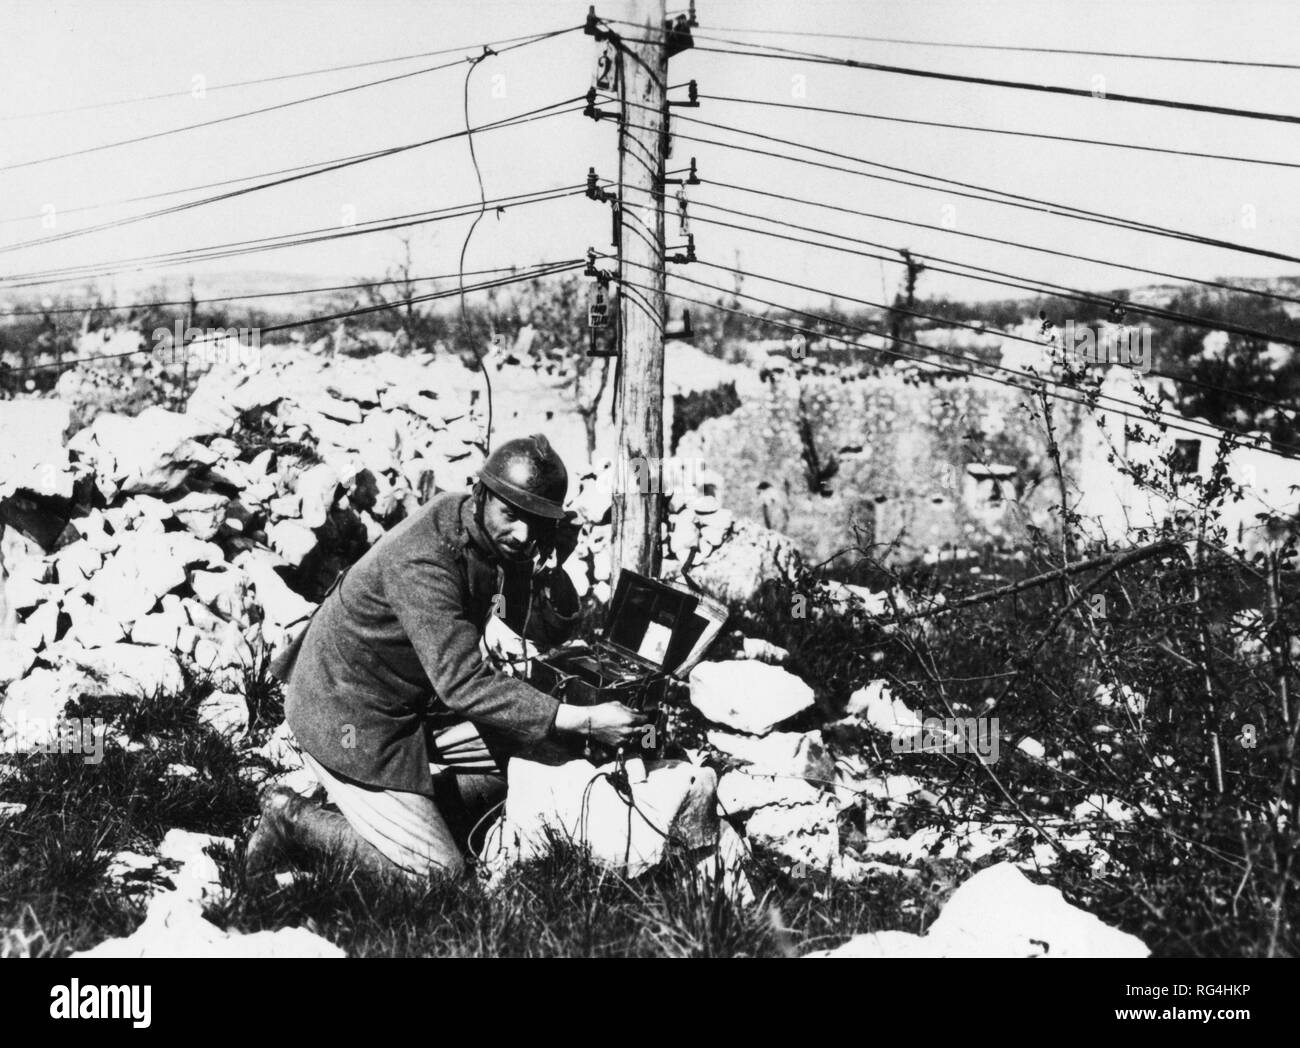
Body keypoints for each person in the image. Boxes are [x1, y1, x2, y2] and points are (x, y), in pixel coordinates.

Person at [246, 434, 648, 881]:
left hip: (409, 701)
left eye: (537, 523)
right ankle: (291, 817)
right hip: (348, 712)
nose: (524, 534)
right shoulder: (426, 558)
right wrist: (585, 719)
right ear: (481, 493)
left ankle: (416, 810)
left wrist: (552, 568)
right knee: (436, 878)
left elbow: (535, 625)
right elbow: (463, 684)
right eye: (512, 515)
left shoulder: (491, 535)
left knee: (546, 750)